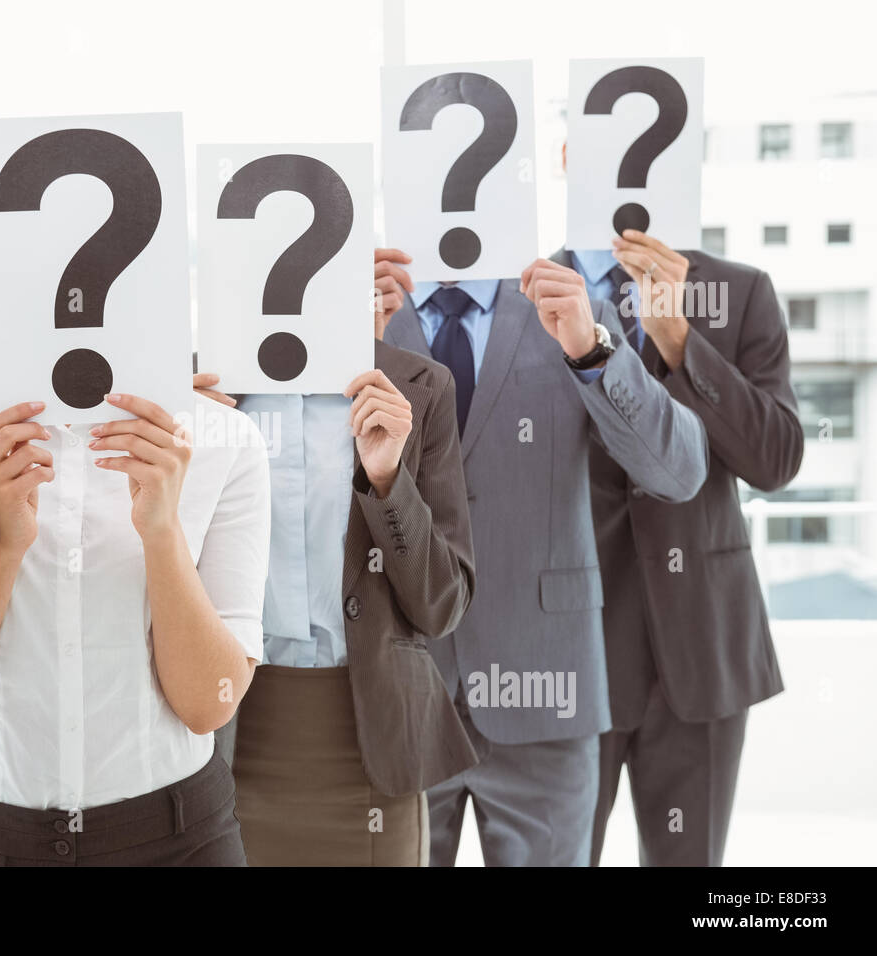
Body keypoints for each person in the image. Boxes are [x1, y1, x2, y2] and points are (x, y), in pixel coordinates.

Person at [379, 250, 709, 866]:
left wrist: (591, 352)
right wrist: (351, 348)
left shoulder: (567, 308)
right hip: (402, 699)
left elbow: (680, 471)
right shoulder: (363, 319)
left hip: (547, 690)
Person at [0, 344, 270, 866]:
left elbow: (209, 704)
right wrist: (4, 543)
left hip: (178, 842)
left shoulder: (219, 437)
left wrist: (161, 531)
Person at [192, 287, 477, 866]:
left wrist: (389, 479)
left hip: (370, 746)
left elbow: (442, 604)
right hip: (228, 738)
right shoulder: (196, 389)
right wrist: (192, 459)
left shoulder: (416, 385)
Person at [556, 225, 803, 866]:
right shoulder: (531, 294)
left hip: (703, 643)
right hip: (569, 649)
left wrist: (681, 341)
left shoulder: (739, 291)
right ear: (563, 150)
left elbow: (776, 460)